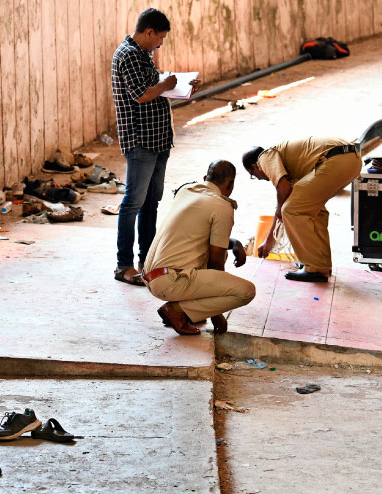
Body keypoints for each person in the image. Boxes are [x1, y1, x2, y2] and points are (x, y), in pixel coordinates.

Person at [110, 8, 200, 286]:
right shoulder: (127, 55)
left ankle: (146, 259)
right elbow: (140, 95)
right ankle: (123, 265)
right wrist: (165, 84)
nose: (160, 43)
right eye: (159, 37)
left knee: (151, 201)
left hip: (158, 140)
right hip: (140, 142)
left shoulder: (144, 54)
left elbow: (156, 90)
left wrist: (181, 88)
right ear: (148, 32)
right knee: (133, 203)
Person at [142, 160, 255, 335]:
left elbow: (197, 232)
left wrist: (233, 243)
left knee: (218, 250)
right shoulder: (222, 206)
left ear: (205, 178)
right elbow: (216, 263)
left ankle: (187, 309)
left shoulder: (186, 190)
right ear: (231, 184)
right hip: (170, 282)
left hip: (151, 276)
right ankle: (177, 310)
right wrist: (216, 314)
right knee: (246, 291)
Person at [241, 137, 361, 282]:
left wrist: (270, 238)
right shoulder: (288, 163)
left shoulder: (265, 157)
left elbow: (283, 193)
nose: (260, 179)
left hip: (335, 160)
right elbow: (284, 201)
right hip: (352, 159)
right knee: (314, 212)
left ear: (255, 166)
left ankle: (315, 267)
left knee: (292, 210)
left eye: (253, 176)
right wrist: (269, 240)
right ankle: (321, 265)